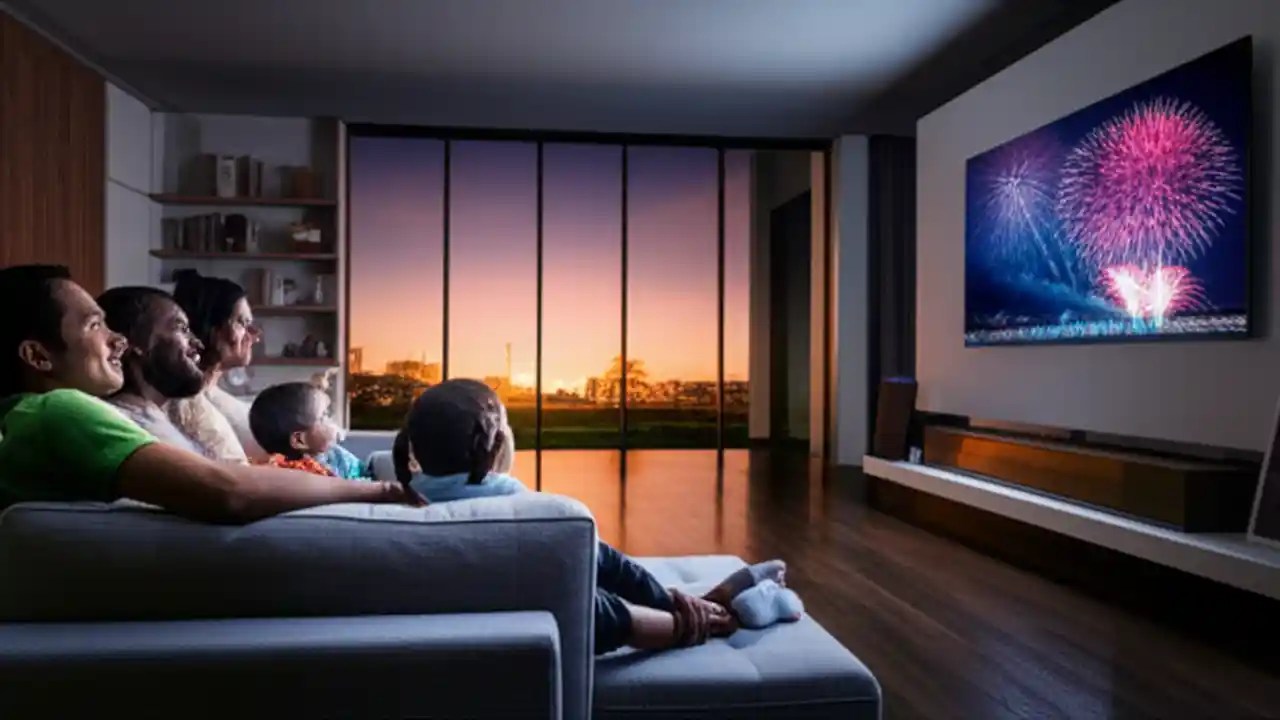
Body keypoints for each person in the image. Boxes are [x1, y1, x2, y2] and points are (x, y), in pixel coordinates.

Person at [394, 379, 795, 652]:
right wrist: (674, 614)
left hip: (486, 620)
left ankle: (696, 602)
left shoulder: (397, 510)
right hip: (580, 625)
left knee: (588, 571)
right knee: (593, 570)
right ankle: (710, 616)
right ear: (497, 446)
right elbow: (607, 582)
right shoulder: (540, 516)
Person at [0, 264, 422, 522]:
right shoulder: (57, 410)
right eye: (95, 326)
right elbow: (227, 493)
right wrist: (380, 492)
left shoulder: (26, 416)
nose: (119, 341)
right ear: (38, 356)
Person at [96, 286, 211, 457]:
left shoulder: (151, 416)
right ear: (133, 341)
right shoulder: (121, 425)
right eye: (182, 329)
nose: (198, 343)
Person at [168, 269, 267, 463]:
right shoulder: (183, 405)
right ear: (210, 327)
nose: (254, 334)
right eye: (242, 322)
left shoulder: (215, 397)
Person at [249, 381, 367, 478]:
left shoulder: (333, 455)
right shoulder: (304, 476)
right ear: (300, 440)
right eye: (323, 416)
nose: (331, 421)